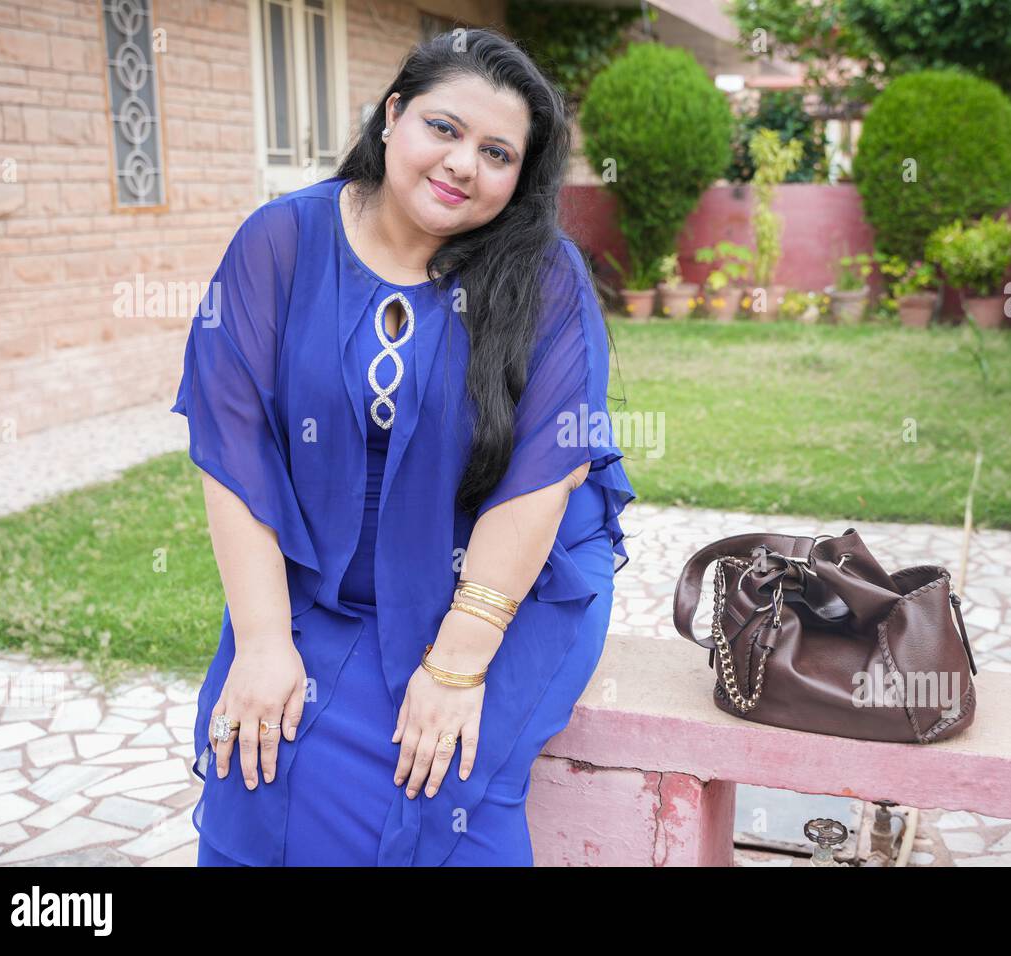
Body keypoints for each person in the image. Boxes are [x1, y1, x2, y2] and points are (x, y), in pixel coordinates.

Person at [170, 28, 635, 866]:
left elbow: (540, 481)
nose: (463, 164)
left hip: (509, 582)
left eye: (498, 152)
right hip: (324, 569)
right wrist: (267, 641)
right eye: (444, 129)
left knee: (434, 777)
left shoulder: (545, 278)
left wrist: (456, 664)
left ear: (520, 176)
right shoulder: (280, 242)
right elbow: (234, 451)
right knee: (257, 750)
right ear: (392, 117)